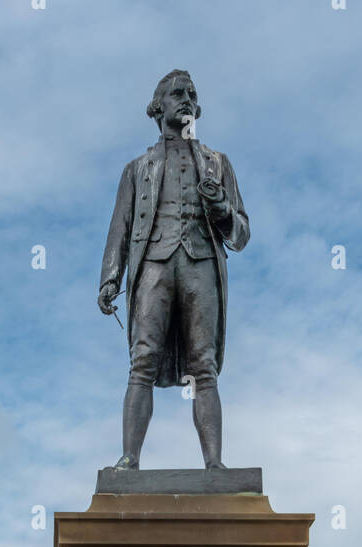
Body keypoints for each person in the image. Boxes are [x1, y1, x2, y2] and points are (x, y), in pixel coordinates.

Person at [99, 70, 249, 470]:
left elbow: (241, 233)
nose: (186, 99)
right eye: (177, 93)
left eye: (192, 94)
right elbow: (121, 226)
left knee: (205, 366)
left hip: (201, 264)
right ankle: (130, 458)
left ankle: (215, 464)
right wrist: (111, 277)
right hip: (152, 266)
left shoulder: (219, 164)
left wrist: (219, 207)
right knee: (141, 361)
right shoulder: (136, 169)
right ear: (158, 106)